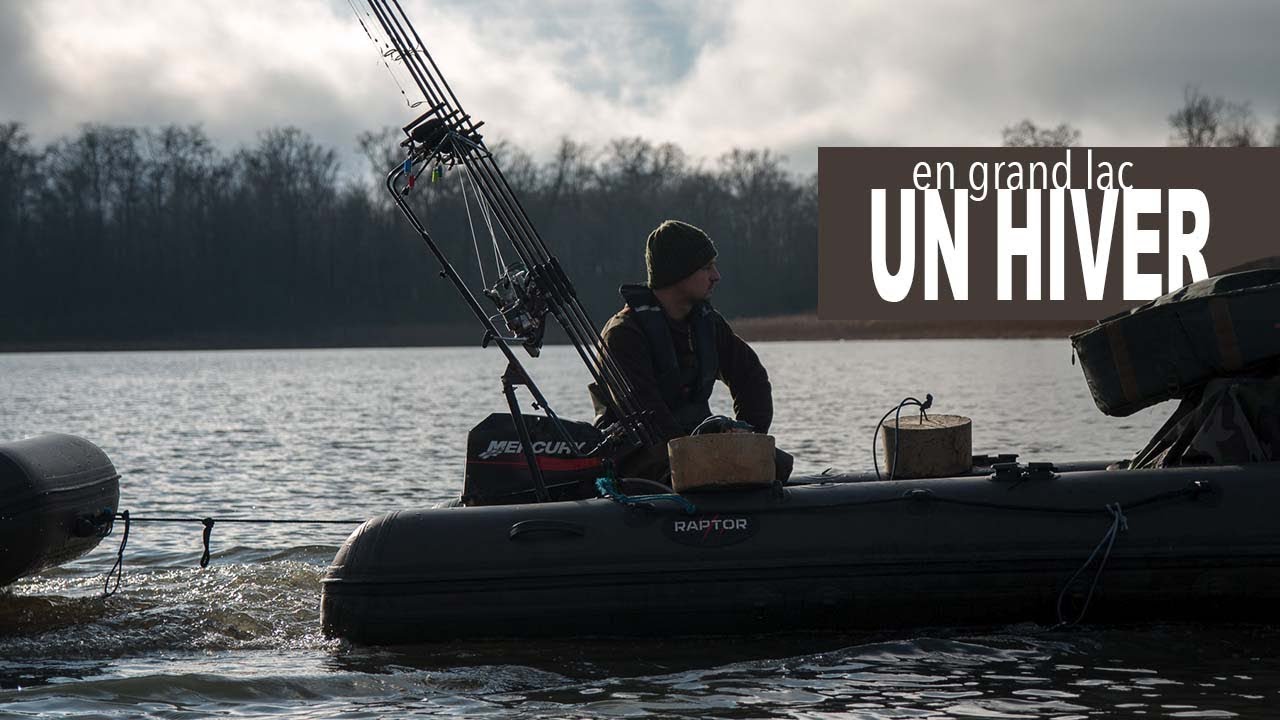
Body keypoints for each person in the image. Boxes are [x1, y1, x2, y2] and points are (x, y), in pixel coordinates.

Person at [589, 219, 792, 482]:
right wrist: (700, 452)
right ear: (678, 272)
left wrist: (747, 438)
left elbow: (751, 378)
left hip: (697, 446)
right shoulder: (623, 335)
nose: (716, 276)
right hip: (641, 459)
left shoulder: (708, 324)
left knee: (779, 464)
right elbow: (645, 416)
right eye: (706, 267)